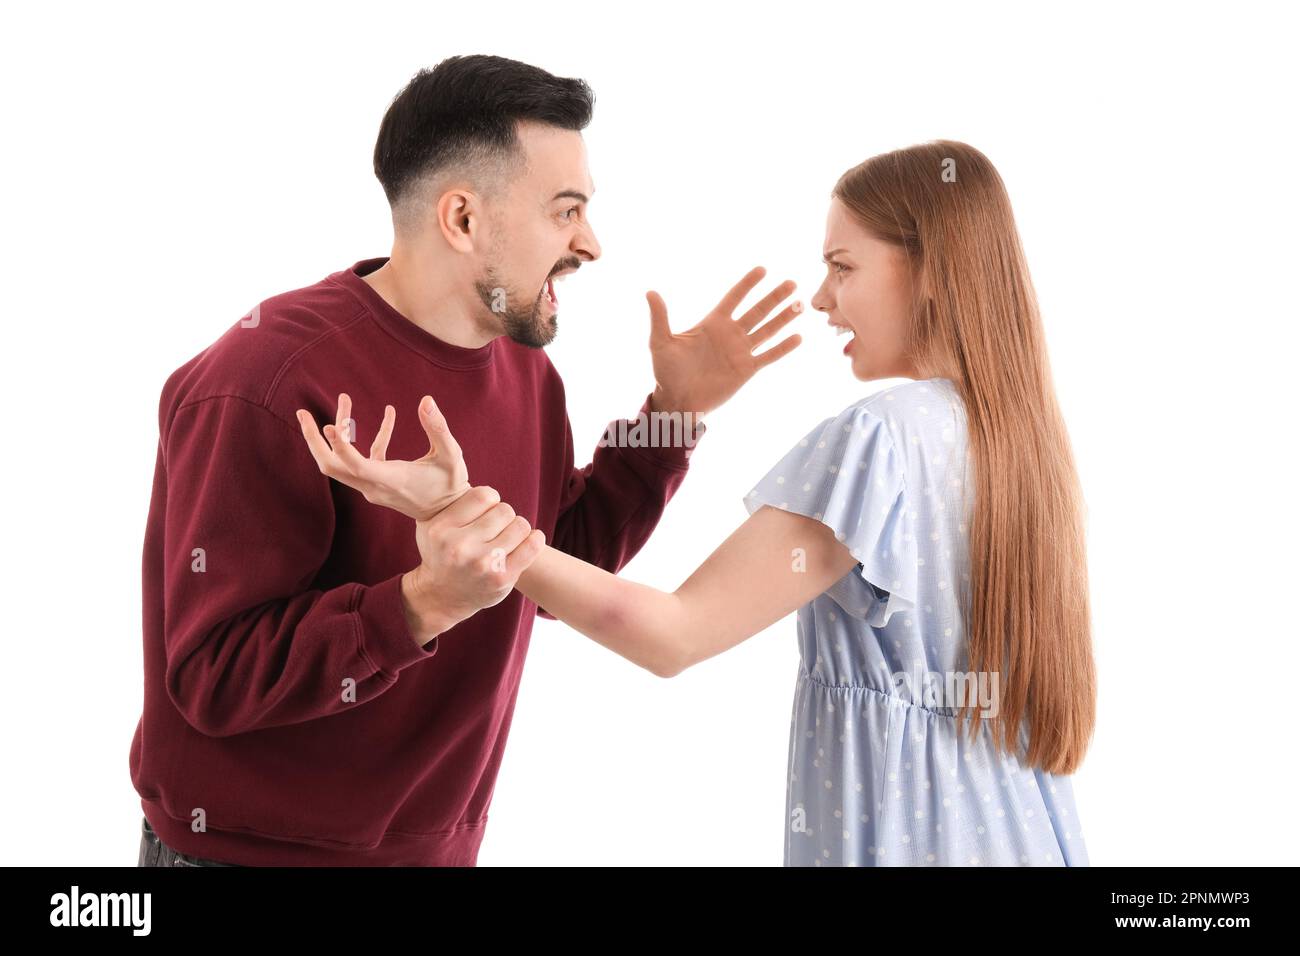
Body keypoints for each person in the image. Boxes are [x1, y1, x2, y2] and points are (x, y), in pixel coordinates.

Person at [303, 139, 1097, 866]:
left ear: (930, 267)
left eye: (844, 267)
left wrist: (461, 514)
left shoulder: (879, 440)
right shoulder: (1017, 435)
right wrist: (675, 412)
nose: (823, 299)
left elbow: (672, 635)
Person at [131, 54, 801, 866]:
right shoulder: (263, 381)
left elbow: (552, 566)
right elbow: (212, 677)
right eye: (565, 211)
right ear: (462, 218)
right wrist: (416, 606)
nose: (589, 242)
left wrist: (674, 417)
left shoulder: (526, 371)